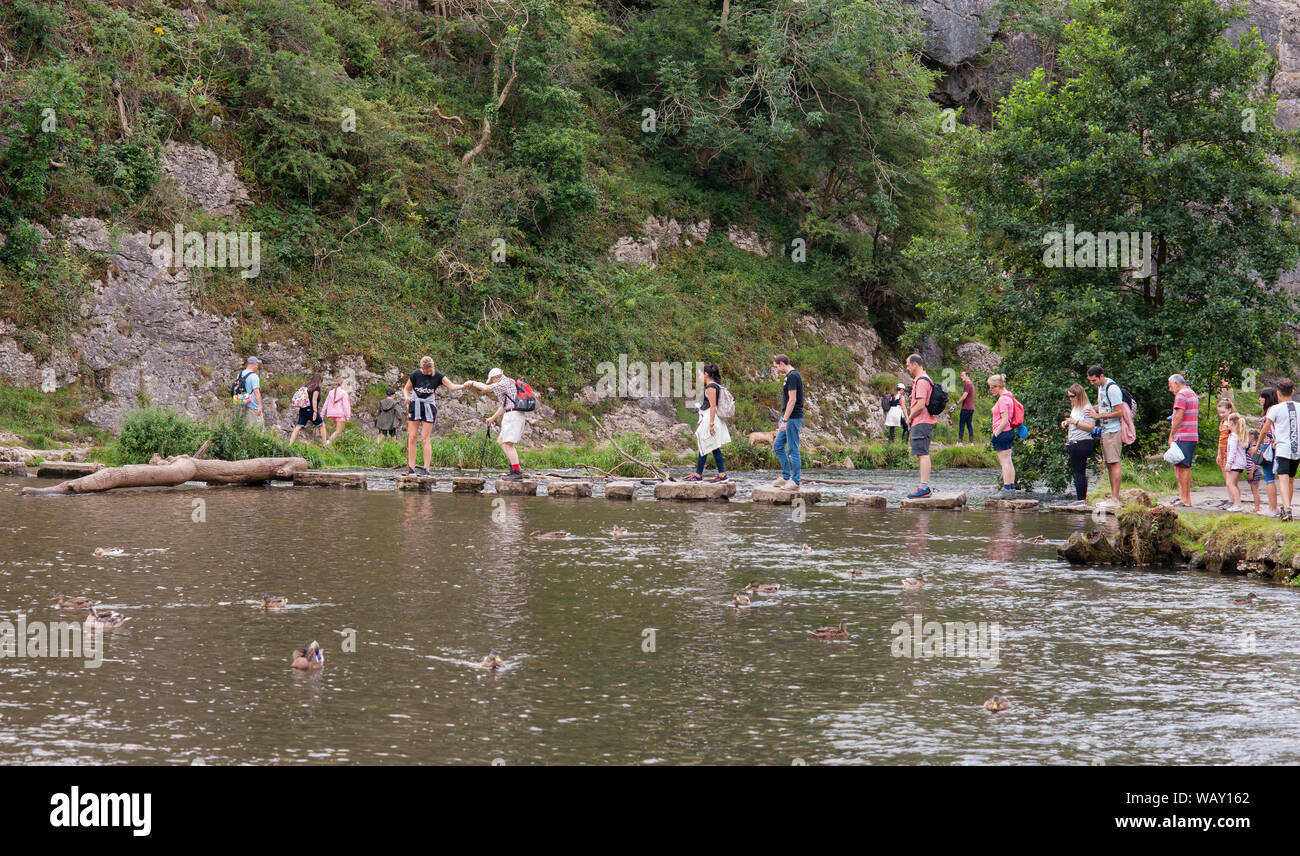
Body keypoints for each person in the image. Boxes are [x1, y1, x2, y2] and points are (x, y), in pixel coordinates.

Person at [403, 358, 466, 475]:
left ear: (432, 367)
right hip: (415, 404)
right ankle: (411, 467)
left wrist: (464, 385)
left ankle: (426, 469)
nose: (427, 373)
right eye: (425, 371)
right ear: (421, 368)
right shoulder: (415, 374)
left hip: (429, 406)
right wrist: (406, 397)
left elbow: (452, 387)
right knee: (412, 437)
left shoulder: (438, 375)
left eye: (429, 370)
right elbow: (406, 389)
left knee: (425, 438)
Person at [467, 367, 530, 480]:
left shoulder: (503, 382)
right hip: (510, 414)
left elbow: (486, 388)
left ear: (496, 378)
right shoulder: (508, 382)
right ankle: (513, 470)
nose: (492, 382)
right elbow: (504, 405)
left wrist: (472, 382)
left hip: (513, 415)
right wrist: (492, 418)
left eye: (492, 380)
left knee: (508, 444)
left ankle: (517, 472)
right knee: (501, 441)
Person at [1084, 365, 1124, 508]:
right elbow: (1104, 405)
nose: (1092, 383)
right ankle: (1112, 498)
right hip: (1105, 430)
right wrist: (1090, 409)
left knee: (1114, 463)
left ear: (1101, 376)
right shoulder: (1101, 388)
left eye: (1094, 380)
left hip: (1113, 431)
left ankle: (1115, 499)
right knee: (1108, 463)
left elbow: (1120, 412)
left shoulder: (1112, 388)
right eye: (1090, 381)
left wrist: (1098, 415)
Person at [1258, 378, 1298, 520]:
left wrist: (1257, 446)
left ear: (1278, 393)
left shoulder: (1275, 409)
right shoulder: (1299, 407)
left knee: (1283, 478)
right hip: (1297, 449)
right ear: (1292, 391)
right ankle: (1287, 507)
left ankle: (1286, 509)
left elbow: (1264, 430)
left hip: (1282, 448)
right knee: (1291, 479)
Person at [685, 363, 730, 482]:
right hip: (712, 418)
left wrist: (711, 424)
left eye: (699, 375)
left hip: (711, 418)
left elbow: (713, 406)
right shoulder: (715, 385)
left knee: (704, 444)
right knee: (712, 446)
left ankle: (699, 475)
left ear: (706, 374)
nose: (699, 377)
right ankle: (720, 474)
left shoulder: (711, 387)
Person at [904, 354, 937, 498]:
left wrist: (910, 417)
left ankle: (924, 487)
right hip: (922, 421)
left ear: (915, 364)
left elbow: (921, 404)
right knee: (920, 453)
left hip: (921, 421)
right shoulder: (922, 379)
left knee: (923, 453)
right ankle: (924, 486)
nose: (907, 367)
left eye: (908, 364)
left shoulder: (922, 381)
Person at [770, 354, 803, 489]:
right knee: (778, 446)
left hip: (792, 418)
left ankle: (795, 481)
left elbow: (793, 399)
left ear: (782, 363)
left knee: (792, 449)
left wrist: (784, 420)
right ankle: (785, 477)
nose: (776, 369)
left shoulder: (793, 376)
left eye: (776, 366)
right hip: (786, 417)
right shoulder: (789, 376)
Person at [1060, 383, 1096, 504]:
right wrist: (1067, 422)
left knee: (1079, 472)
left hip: (1082, 443)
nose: (1070, 399)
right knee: (1078, 472)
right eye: (1069, 396)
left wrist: (1075, 422)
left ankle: (1081, 500)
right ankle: (1081, 499)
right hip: (1075, 442)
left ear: (1079, 395)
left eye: (1072, 396)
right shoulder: (1076, 406)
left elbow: (1091, 427)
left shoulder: (1086, 408)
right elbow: (1075, 421)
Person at [1167, 374, 1199, 508]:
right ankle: (1183, 497)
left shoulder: (1181, 395)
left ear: (1176, 383)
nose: (1170, 389)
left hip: (1183, 435)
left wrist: (1171, 435)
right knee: (1182, 466)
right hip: (1191, 435)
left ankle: (1185, 500)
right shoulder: (1191, 393)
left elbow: (1179, 417)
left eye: (1170, 386)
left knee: (1183, 467)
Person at [988, 374, 1017, 493]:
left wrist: (995, 434)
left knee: (1004, 462)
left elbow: (1004, 420)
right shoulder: (1010, 396)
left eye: (991, 387)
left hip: (1003, 433)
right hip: (1009, 432)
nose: (991, 390)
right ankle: (1011, 487)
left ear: (998, 386)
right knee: (1008, 461)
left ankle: (1006, 489)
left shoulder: (1003, 399)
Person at [1255, 386, 1279, 514]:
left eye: (1261, 397)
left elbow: (1265, 430)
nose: (1259, 399)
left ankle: (1272, 508)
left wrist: (1258, 446)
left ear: (1267, 398)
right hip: (1274, 445)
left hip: (1268, 446)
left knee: (1269, 477)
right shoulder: (1277, 409)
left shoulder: (1270, 411)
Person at [288, 371, 325, 444]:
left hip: (303, 409)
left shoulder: (306, 386)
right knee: (322, 425)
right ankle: (325, 445)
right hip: (311, 410)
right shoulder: (316, 388)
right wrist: (315, 412)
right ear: (319, 380)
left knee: (298, 427)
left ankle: (289, 444)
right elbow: (314, 400)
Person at [235, 356, 264, 428]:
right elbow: (256, 392)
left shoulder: (240, 374)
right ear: (253, 364)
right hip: (253, 406)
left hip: (242, 402)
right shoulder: (254, 376)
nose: (257, 366)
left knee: (244, 426)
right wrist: (259, 405)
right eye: (257, 364)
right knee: (258, 428)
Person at [1215, 399, 1235, 485]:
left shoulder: (1232, 422)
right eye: (1220, 413)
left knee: (1231, 480)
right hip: (1222, 453)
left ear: (1229, 410)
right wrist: (1219, 454)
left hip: (1230, 452)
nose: (1221, 415)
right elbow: (1220, 440)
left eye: (1223, 412)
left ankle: (1234, 498)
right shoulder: (1222, 422)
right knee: (1226, 480)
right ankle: (1231, 497)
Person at [1245, 429, 1264, 513]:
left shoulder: (1253, 448)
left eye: (1247, 436)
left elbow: (1254, 461)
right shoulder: (1256, 447)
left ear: (1252, 436)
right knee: (1255, 490)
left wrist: (1251, 473)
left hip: (1254, 471)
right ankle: (1257, 506)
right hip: (1256, 471)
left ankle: (1257, 507)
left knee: (1254, 491)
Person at [957, 370, 976, 443]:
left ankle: (960, 442)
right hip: (971, 408)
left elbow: (964, 396)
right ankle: (972, 442)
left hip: (966, 408)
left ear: (967, 376)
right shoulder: (971, 384)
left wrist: (956, 403)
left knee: (961, 425)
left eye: (962, 375)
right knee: (969, 425)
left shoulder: (967, 384)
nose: (961, 377)